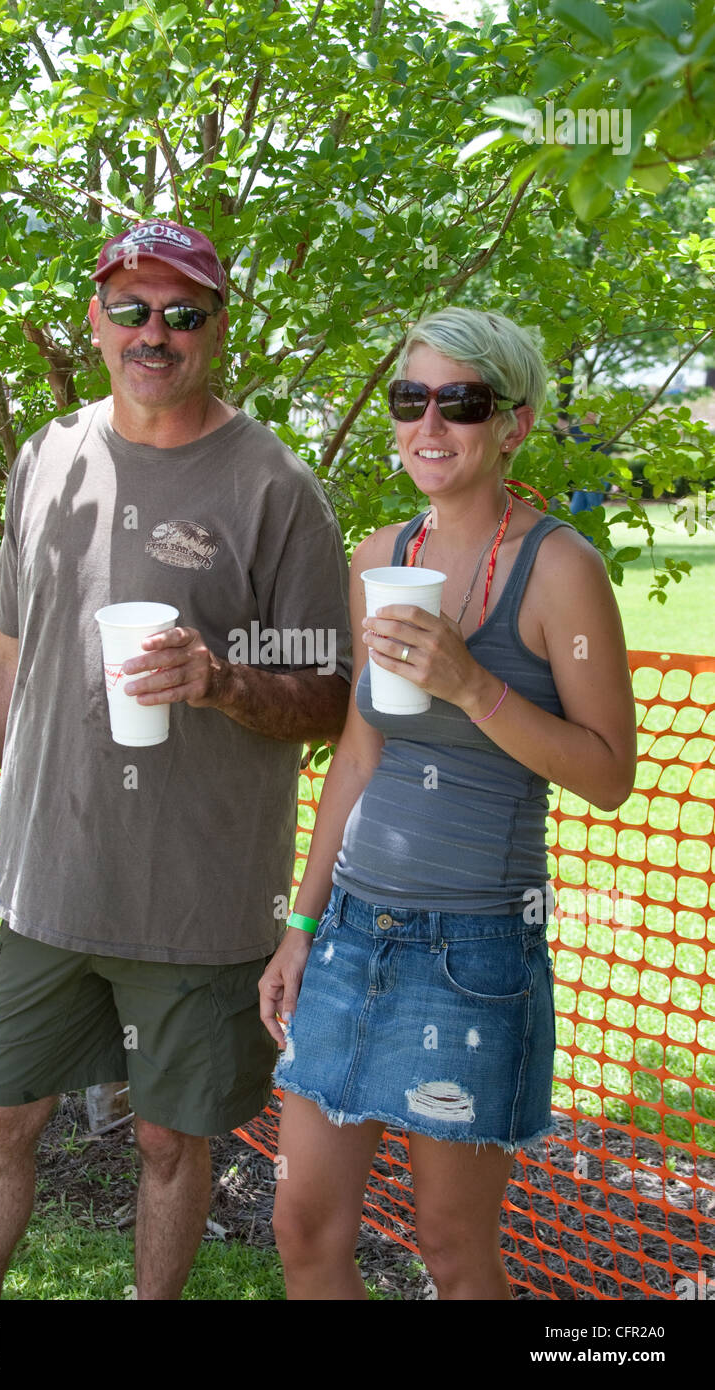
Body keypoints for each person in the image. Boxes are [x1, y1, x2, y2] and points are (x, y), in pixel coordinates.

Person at [0, 218, 352, 1300]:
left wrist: (223, 680)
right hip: (49, 886)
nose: (156, 332)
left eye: (183, 312)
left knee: (165, 1144)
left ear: (217, 328)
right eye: (132, 308)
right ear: (95, 322)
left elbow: (331, 699)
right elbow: (1, 664)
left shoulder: (273, 486)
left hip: (196, 901)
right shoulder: (48, 456)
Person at [259, 307, 637, 1301]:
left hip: (473, 951)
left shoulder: (561, 570)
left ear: (509, 424)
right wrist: (301, 922)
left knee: (453, 1247)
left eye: (459, 403)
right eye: (408, 398)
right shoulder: (379, 554)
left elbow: (606, 775)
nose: (429, 425)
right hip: (349, 932)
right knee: (301, 1222)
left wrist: (474, 685)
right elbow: (357, 746)